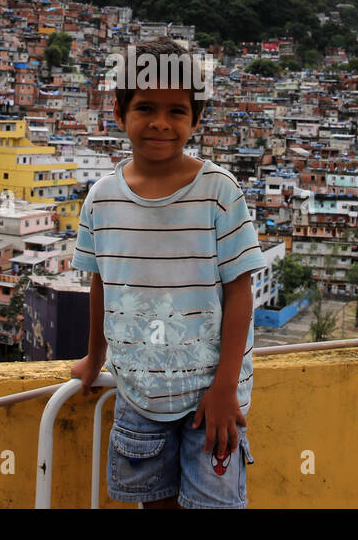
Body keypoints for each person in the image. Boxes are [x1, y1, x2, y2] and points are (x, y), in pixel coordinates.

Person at [70, 37, 265, 509]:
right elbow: (102, 283)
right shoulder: (102, 198)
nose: (160, 123)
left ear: (195, 119)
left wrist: (224, 387)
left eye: (176, 111)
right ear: (119, 113)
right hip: (139, 393)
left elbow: (240, 293)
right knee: (153, 501)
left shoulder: (219, 192)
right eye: (145, 108)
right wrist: (94, 360)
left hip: (211, 396)